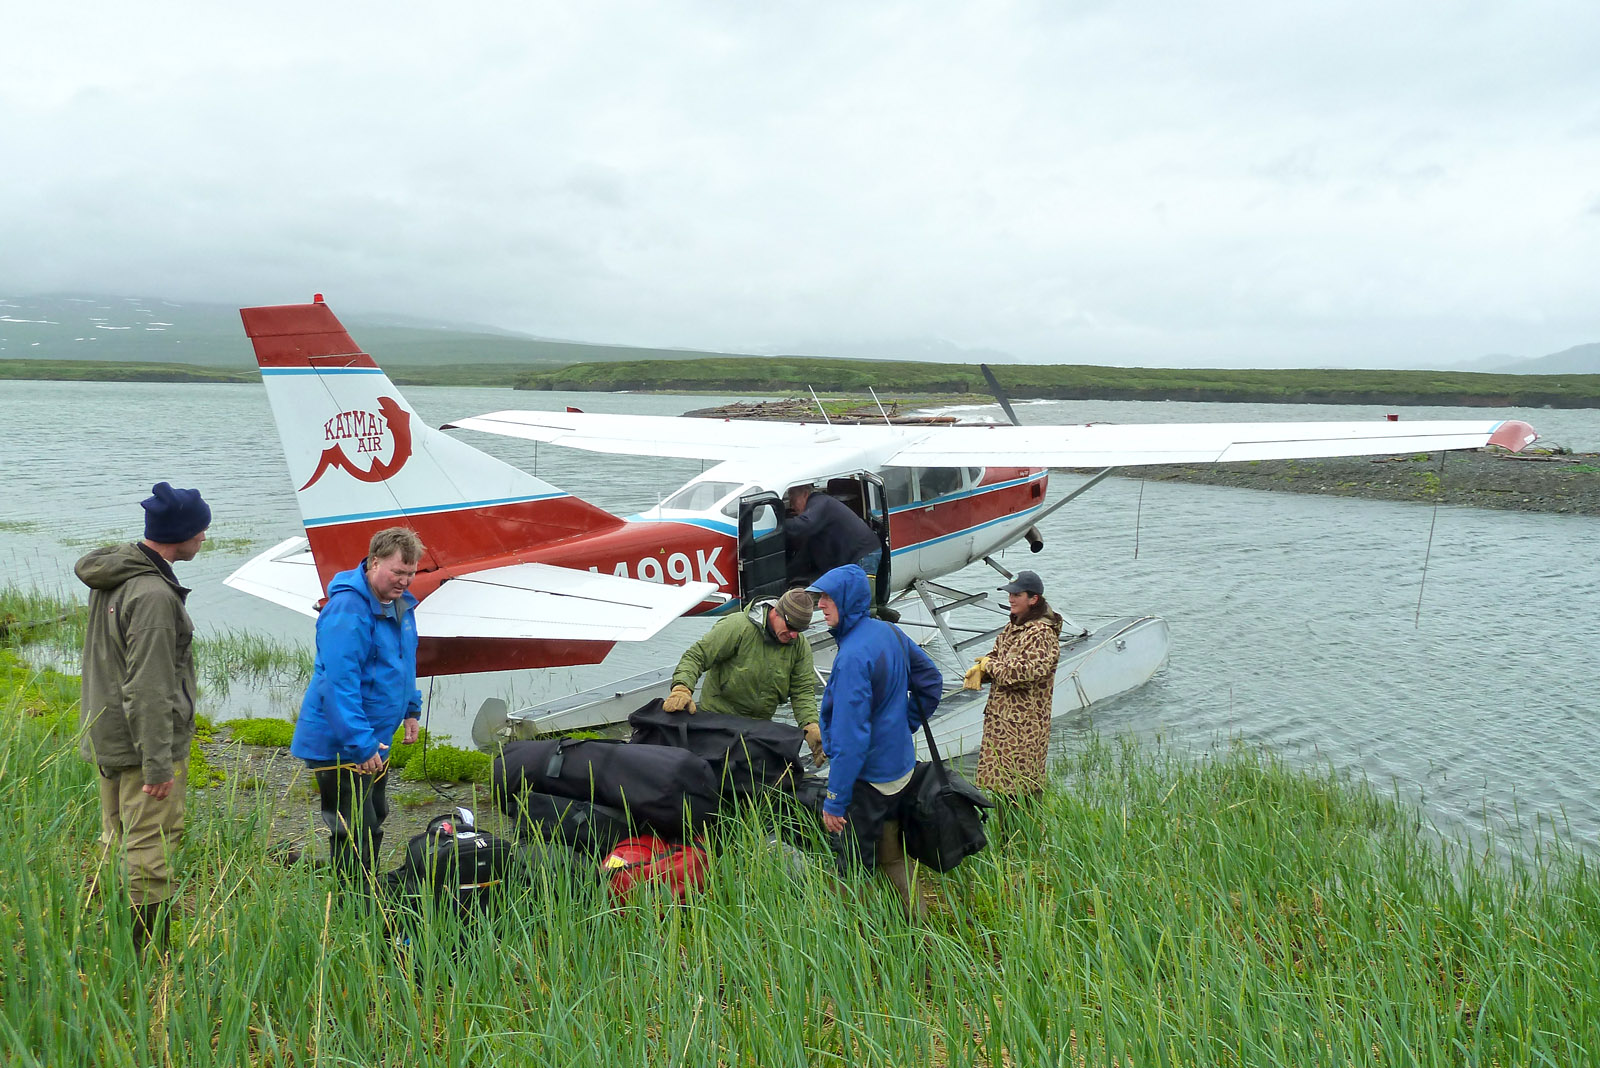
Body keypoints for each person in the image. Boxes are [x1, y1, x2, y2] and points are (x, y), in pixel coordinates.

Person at [77, 481, 211, 952]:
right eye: (200, 531)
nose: (204, 539)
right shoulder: (154, 595)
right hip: (142, 746)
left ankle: (102, 932)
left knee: (117, 837)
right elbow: (149, 688)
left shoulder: (118, 575)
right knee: (151, 845)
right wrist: (158, 764)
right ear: (182, 535)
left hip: (108, 735)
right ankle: (148, 955)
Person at [291, 527, 424, 887]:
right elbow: (339, 684)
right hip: (342, 742)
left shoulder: (400, 605)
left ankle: (362, 887)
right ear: (374, 561)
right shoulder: (347, 609)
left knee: (374, 814)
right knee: (353, 824)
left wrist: (411, 708)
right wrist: (360, 743)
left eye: (411, 574)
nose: (404, 581)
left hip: (374, 736)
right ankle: (355, 900)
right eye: (398, 572)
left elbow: (404, 661)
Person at [808, 564, 942, 916]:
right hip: (900, 769)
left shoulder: (852, 657)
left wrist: (835, 800)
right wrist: (903, 725)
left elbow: (852, 739)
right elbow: (931, 682)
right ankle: (923, 931)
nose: (820, 604)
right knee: (892, 855)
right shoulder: (888, 631)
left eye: (827, 598)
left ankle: (859, 945)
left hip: (868, 780)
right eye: (819, 597)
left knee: (852, 868)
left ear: (848, 601)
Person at [664, 588, 826, 764]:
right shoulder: (738, 627)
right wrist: (682, 688)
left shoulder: (799, 646)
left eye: (800, 630)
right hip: (716, 724)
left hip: (758, 730)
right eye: (791, 627)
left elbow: (802, 690)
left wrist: (810, 725)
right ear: (777, 612)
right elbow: (697, 656)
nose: (794, 635)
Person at [963, 570, 1063, 801]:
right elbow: (997, 655)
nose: (1010, 599)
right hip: (1002, 727)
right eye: (1010, 594)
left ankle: (1026, 838)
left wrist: (990, 667)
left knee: (1022, 794)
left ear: (1033, 599)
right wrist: (981, 670)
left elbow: (1024, 672)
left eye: (1017, 594)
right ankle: (1007, 838)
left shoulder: (1041, 634)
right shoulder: (1015, 625)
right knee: (1000, 793)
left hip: (1024, 731)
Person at [782, 483, 883, 589]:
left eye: (793, 501)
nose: (792, 507)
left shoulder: (819, 502)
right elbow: (805, 554)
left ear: (805, 494)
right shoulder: (817, 511)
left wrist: (778, 525)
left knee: (858, 598)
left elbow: (803, 525)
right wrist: (787, 575)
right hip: (853, 555)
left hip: (863, 554)